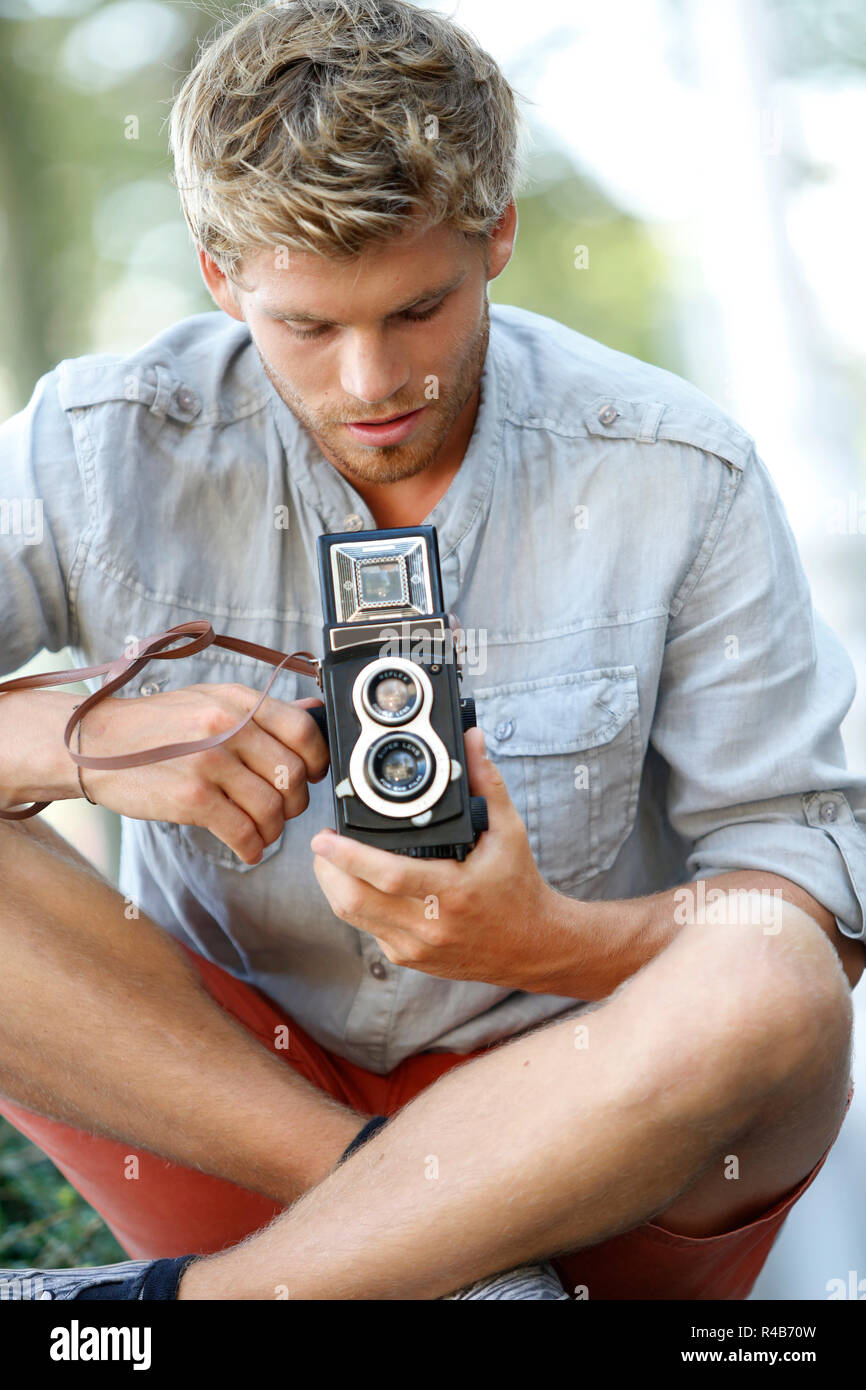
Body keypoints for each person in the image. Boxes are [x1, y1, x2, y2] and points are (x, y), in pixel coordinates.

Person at [0, 0, 864, 1303]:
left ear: (497, 233)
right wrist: (71, 738)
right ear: (218, 273)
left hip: (587, 1127)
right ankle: (449, 1250)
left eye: (419, 307)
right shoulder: (100, 440)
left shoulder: (674, 469)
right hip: (241, 1108)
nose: (370, 382)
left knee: (780, 984)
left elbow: (806, 893)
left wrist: (552, 938)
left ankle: (185, 1312)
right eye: (305, 326)